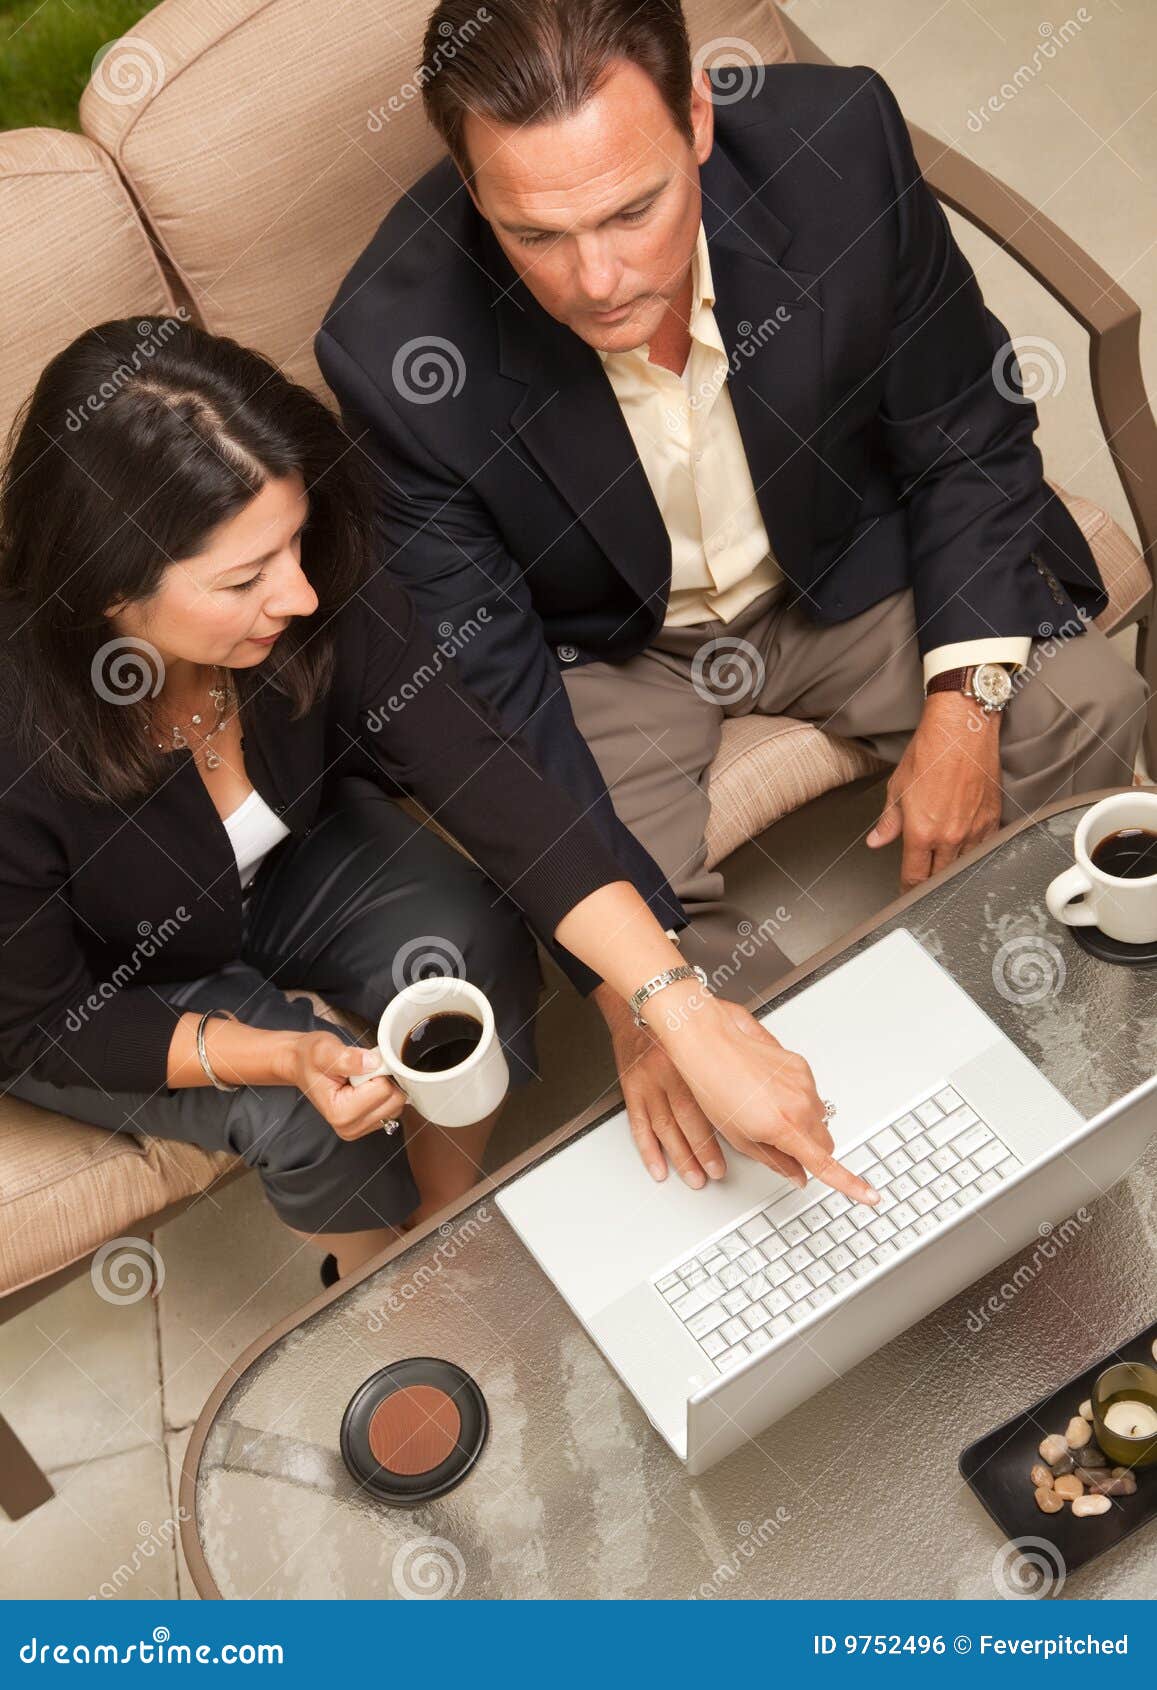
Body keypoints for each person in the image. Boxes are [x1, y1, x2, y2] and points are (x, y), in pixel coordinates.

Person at [316, 0, 1148, 1193]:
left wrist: (964, 707)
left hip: (844, 558)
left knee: (1082, 707)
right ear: (469, 184)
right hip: (599, 648)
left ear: (697, 120)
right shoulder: (391, 347)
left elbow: (965, 430)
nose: (598, 280)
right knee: (654, 952)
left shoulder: (839, 146)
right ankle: (842, 1155)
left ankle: (1048, 1039)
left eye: (631, 210)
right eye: (536, 234)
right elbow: (487, 686)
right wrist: (643, 999)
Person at [0, 319, 881, 1286]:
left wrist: (678, 1009)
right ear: (104, 591)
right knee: (302, 1114)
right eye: (245, 579)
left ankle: (430, 1232)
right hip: (92, 980)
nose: (299, 595)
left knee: (475, 948)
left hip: (283, 863)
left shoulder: (315, 573)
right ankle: (372, 1287)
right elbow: (38, 1021)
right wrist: (279, 1057)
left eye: (293, 544)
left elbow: (483, 771)